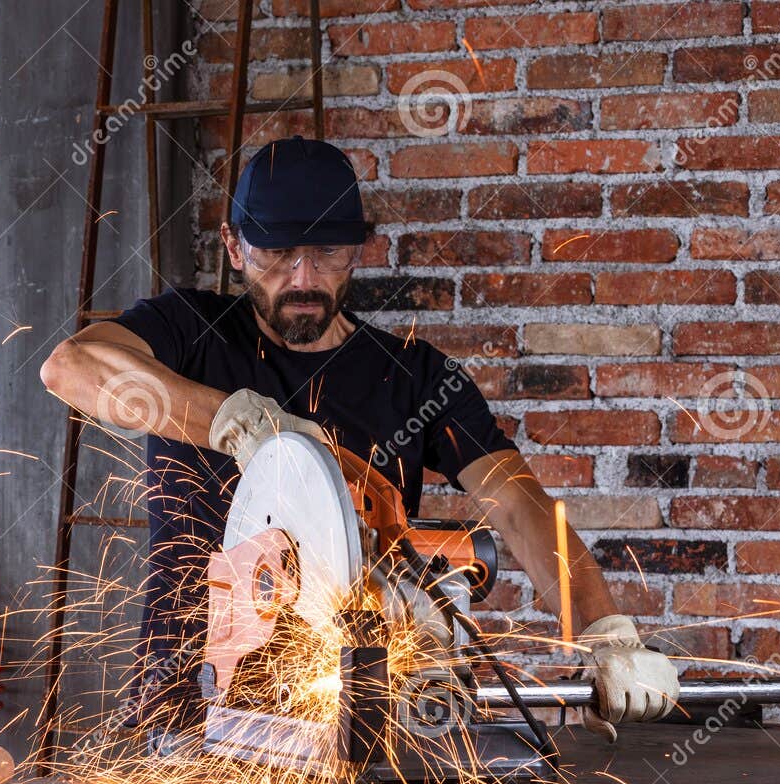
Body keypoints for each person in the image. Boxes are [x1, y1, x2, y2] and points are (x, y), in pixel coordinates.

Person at [41, 135, 677, 740]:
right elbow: (70, 365)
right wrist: (239, 423)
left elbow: (516, 503)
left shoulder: (415, 376)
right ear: (234, 248)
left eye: (328, 254)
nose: (302, 278)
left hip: (357, 714)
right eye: (278, 255)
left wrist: (603, 632)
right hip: (186, 708)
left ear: (361, 249)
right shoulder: (186, 331)